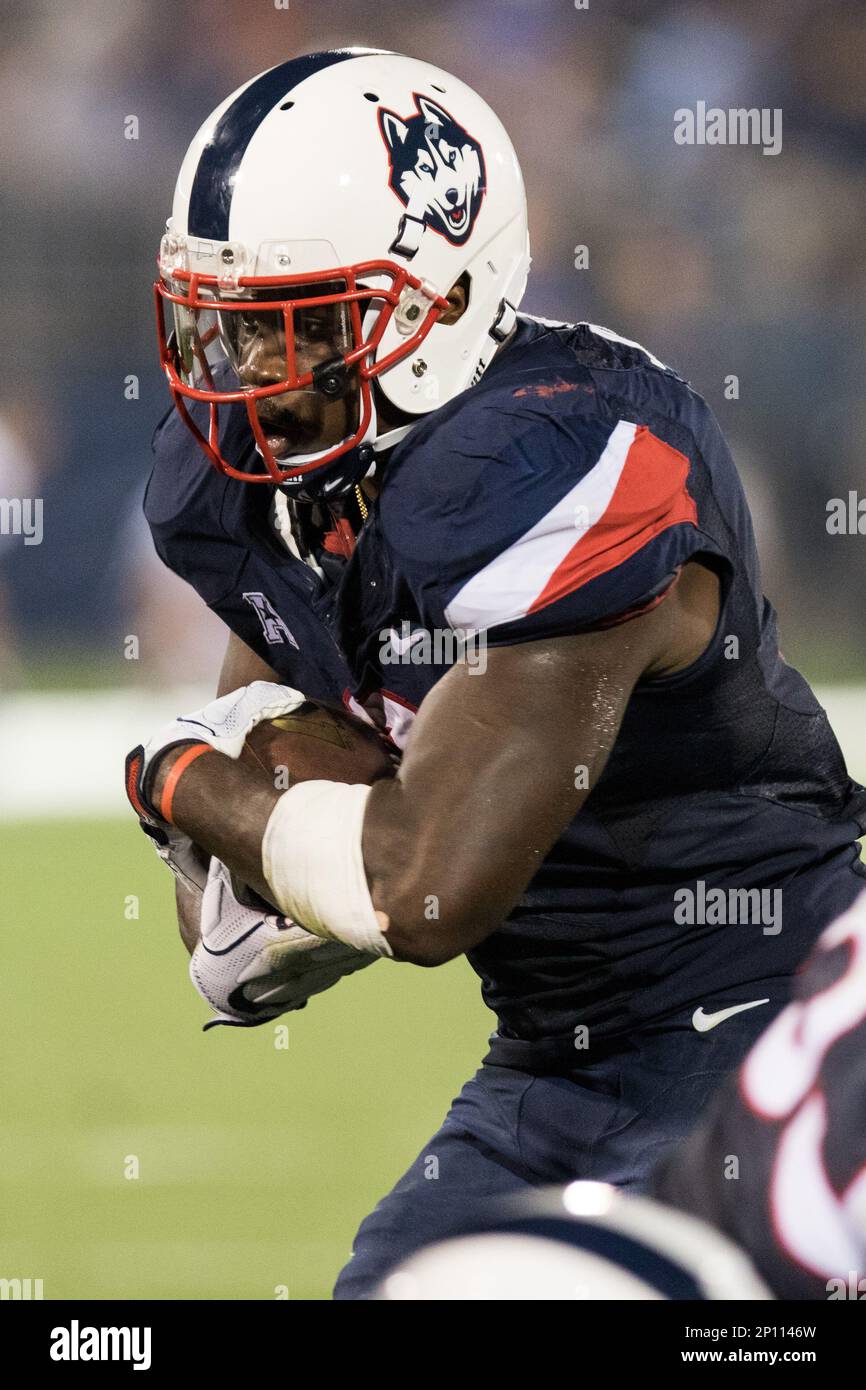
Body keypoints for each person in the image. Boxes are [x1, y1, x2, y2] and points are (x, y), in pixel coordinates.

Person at [127, 48, 866, 1299]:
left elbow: (422, 890)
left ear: (443, 298)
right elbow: (264, 824)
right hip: (552, 1058)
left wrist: (172, 780)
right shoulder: (263, 487)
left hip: (771, 1016)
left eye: (297, 327)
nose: (248, 380)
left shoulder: (557, 450)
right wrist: (255, 867)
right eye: (226, 326)